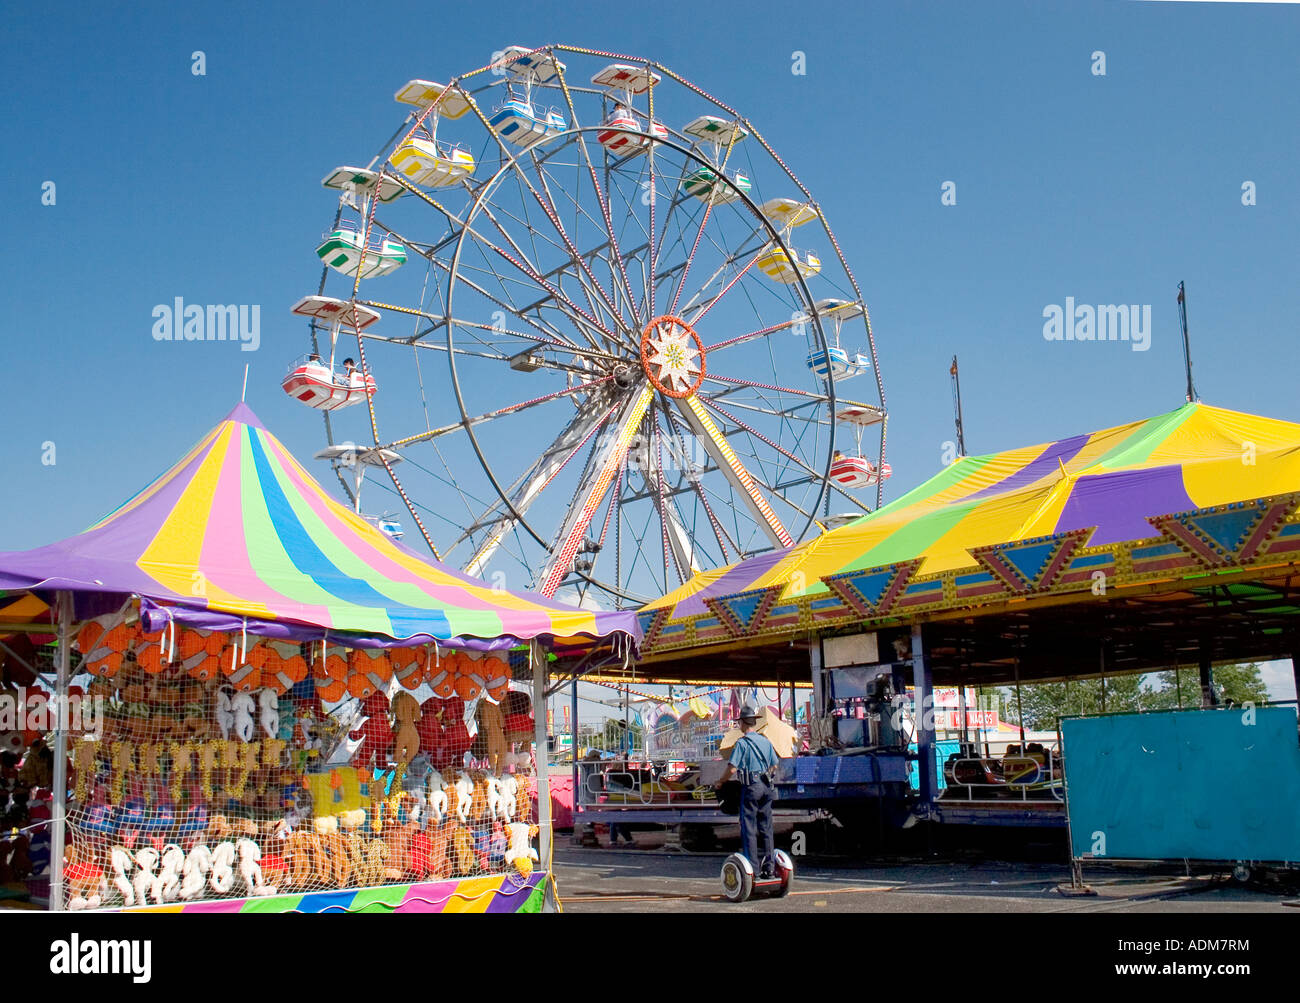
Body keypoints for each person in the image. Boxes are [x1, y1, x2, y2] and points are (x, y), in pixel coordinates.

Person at [717, 704, 780, 878]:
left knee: (749, 828)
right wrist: (767, 774)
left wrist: (720, 782)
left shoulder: (742, 744)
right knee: (766, 828)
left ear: (744, 723)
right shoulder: (766, 741)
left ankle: (754, 870)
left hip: (751, 787)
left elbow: (731, 769)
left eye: (739, 723)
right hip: (767, 787)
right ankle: (769, 867)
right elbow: (775, 764)